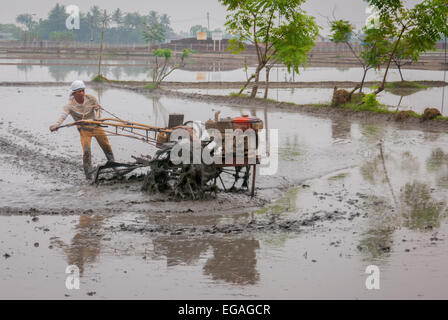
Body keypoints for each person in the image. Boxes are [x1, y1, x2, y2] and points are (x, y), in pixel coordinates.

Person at [49, 80, 115, 180]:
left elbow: (98, 109)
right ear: (74, 93)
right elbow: (63, 116)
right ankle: (88, 175)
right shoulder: (70, 106)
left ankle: (113, 165)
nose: (82, 93)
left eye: (83, 90)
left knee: (106, 146)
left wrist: (98, 115)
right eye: (79, 91)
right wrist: (56, 125)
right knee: (87, 151)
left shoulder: (91, 98)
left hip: (96, 126)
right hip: (84, 130)